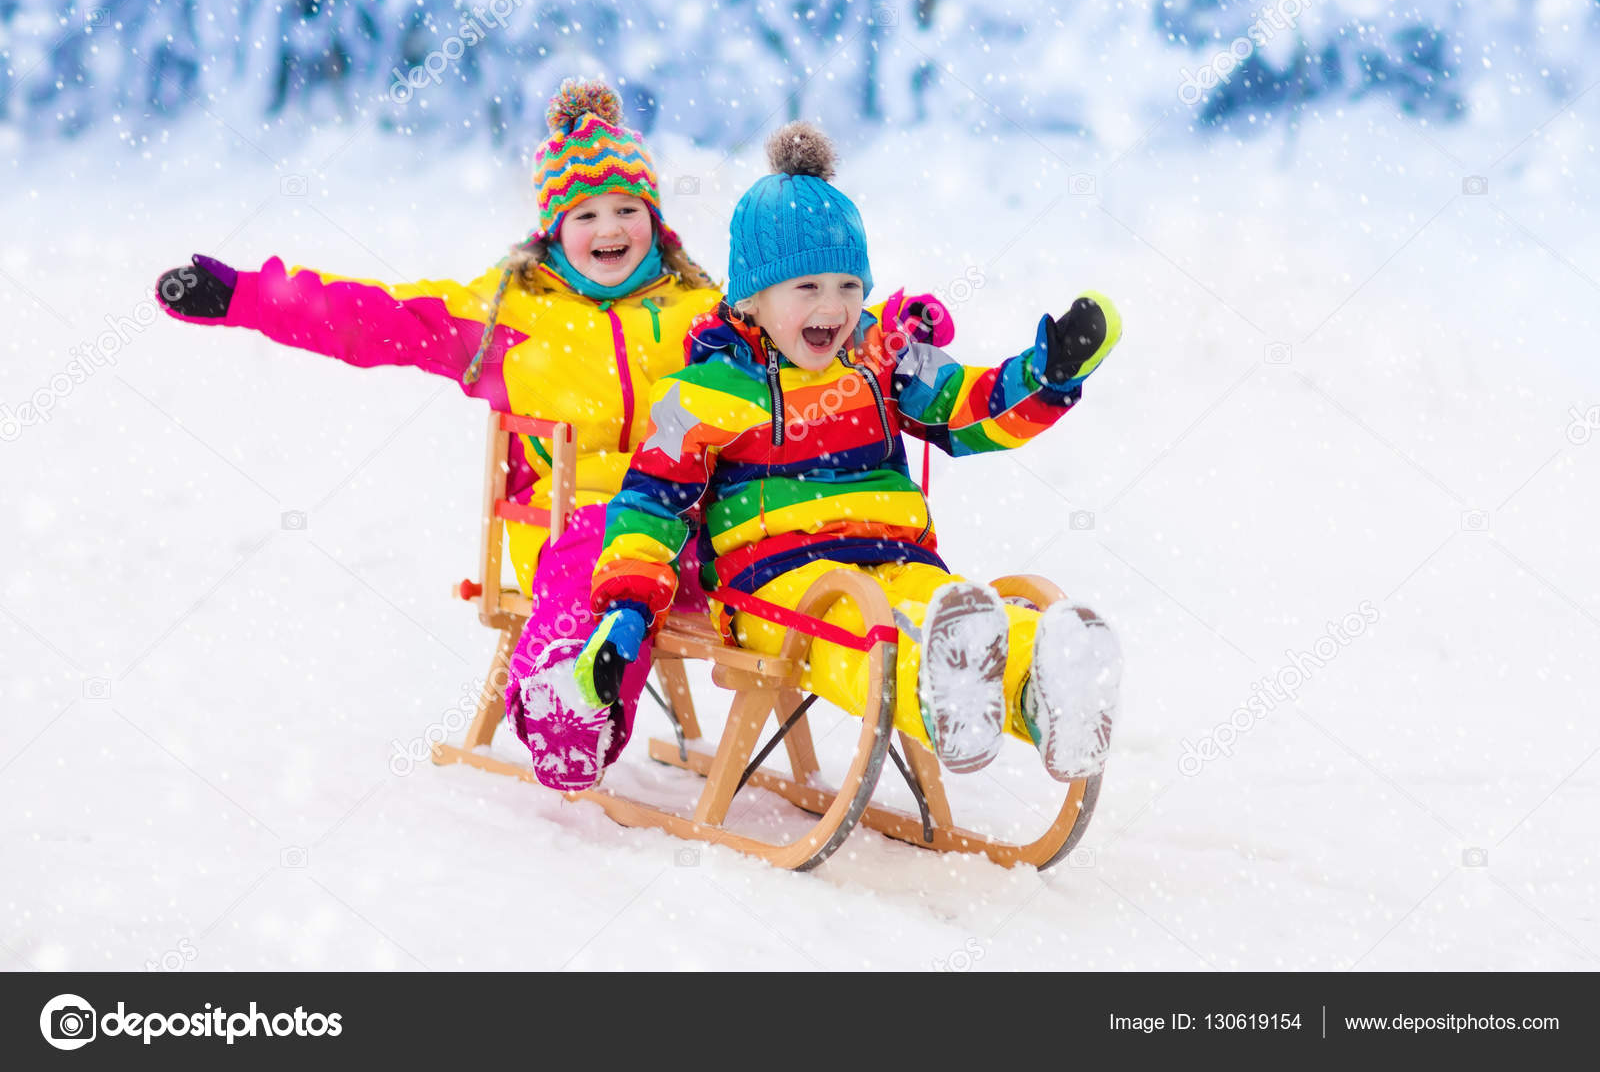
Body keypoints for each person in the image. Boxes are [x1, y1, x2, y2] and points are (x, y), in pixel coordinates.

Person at [155, 82, 947, 791]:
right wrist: (245, 298)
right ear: (553, 229)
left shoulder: (701, 308)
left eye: (627, 209)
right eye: (586, 214)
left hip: (704, 524)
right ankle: (569, 701)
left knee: (788, 547)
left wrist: (901, 332)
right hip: (585, 526)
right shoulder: (513, 316)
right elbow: (378, 318)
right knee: (597, 552)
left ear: (656, 221)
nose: (610, 229)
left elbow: (809, 329)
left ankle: (921, 662)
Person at [572, 121, 1125, 786]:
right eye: (807, 288)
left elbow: (965, 409)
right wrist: (627, 609)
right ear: (753, 297)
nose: (833, 307)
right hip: (775, 580)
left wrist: (1044, 374)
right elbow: (648, 505)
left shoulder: (881, 358)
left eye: (848, 286)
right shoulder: (700, 394)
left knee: (944, 604)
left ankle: (1046, 680)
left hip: (897, 556)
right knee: (860, 629)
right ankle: (934, 690)